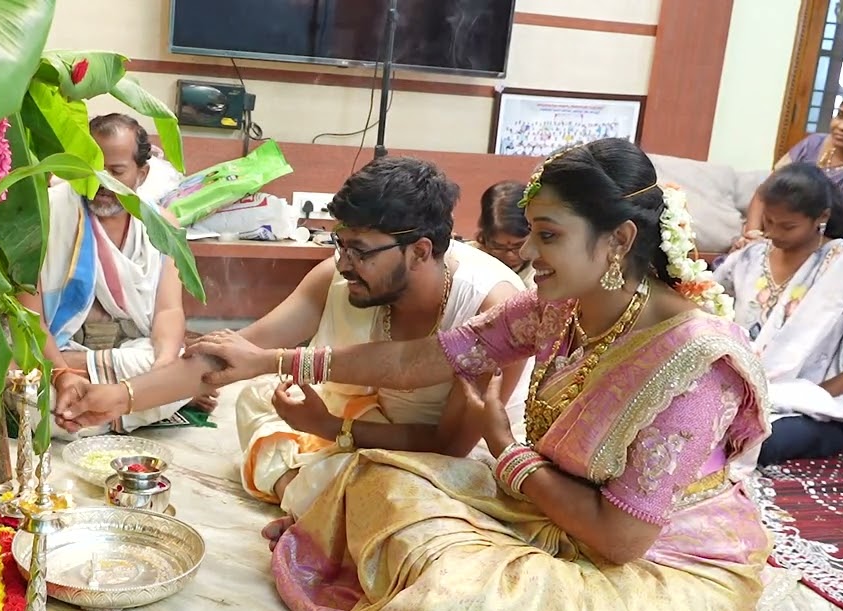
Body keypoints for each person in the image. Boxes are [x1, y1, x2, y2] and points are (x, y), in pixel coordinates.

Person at [61, 139, 772, 611]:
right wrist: (266, 361)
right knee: (374, 479)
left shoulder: (692, 365)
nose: (528, 256)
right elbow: (425, 357)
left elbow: (619, 542)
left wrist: (508, 450)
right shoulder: (560, 306)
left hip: (654, 567)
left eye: (549, 237)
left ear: (619, 240)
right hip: (548, 506)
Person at [60, 155, 530, 518]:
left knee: (392, 496)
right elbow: (231, 357)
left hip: (443, 463)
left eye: (360, 251)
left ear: (420, 250)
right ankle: (315, 499)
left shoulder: (492, 309)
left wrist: (328, 429)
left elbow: (448, 448)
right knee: (260, 397)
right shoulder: (339, 278)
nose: (343, 264)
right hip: (365, 420)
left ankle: (315, 501)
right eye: (339, 245)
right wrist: (119, 397)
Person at [19, 113, 194, 434]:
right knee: (18, 379)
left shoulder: (162, 225)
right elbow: (30, 320)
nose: (101, 182)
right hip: (54, 356)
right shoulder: (44, 214)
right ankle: (123, 410)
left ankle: (97, 408)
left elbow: (169, 310)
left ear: (141, 174)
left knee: (177, 361)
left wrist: (165, 368)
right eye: (92, 168)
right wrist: (62, 372)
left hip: (129, 354)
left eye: (115, 172)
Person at [715, 163, 843, 465]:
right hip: (739, 388)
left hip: (816, 403)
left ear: (822, 218)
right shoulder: (751, 256)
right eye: (768, 221)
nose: (773, 234)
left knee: (752, 441)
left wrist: (821, 392)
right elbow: (707, 299)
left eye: (788, 226)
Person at [737, 87, 843, 249]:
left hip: (819, 256)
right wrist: (752, 238)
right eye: (841, 115)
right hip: (765, 243)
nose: (842, 126)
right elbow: (764, 193)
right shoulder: (812, 145)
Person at [468, 180, 536, 288]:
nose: (510, 255)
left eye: (518, 246)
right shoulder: (466, 259)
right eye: (498, 247)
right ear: (484, 238)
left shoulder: (548, 265)